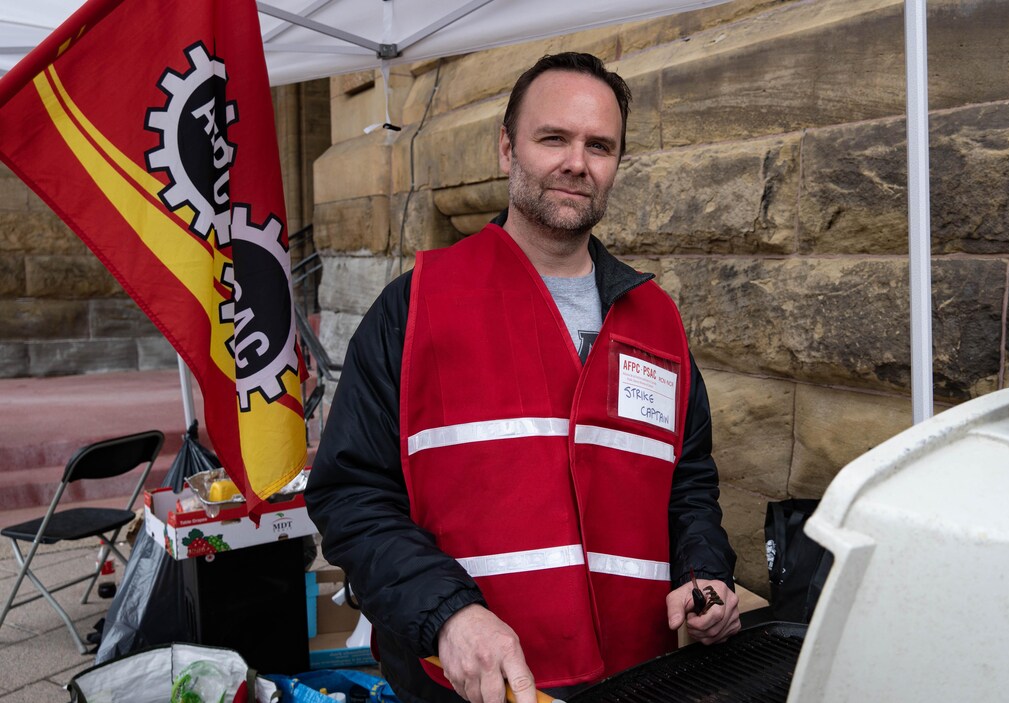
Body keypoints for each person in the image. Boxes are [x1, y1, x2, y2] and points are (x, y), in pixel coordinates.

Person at [306, 52, 740, 703]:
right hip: (462, 685)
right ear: (508, 149)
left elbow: (688, 478)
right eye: (553, 138)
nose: (577, 162)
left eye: (600, 146)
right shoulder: (416, 306)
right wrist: (448, 613)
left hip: (634, 677)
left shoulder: (655, 320)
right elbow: (351, 495)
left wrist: (704, 571)